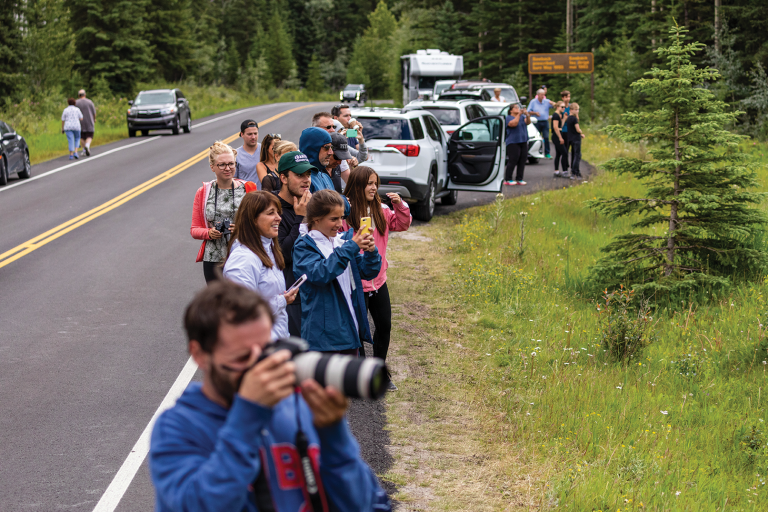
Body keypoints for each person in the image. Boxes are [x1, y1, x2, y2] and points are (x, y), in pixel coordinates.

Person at [149, 279, 391, 511]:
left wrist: (334, 437)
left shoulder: (298, 407)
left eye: (267, 351)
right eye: (243, 357)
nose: (259, 367)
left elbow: (369, 505)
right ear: (200, 354)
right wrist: (248, 414)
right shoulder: (178, 427)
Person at [343, 166, 411, 389]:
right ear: (357, 185)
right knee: (358, 331)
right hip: (355, 283)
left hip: (379, 281)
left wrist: (399, 205)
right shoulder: (345, 211)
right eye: (369, 183)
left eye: (375, 183)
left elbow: (402, 224)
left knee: (384, 326)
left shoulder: (381, 210)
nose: (373, 187)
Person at [293, 190, 381, 354]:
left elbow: (367, 272)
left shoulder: (341, 242)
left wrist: (371, 252)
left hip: (348, 330)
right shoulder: (303, 246)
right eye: (333, 219)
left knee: (349, 380)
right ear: (316, 219)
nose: (340, 224)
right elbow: (320, 274)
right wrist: (351, 247)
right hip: (323, 338)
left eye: (341, 217)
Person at [223, 191, 299, 340]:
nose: (278, 218)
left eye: (278, 212)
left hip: (276, 343)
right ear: (252, 219)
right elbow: (242, 312)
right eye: (271, 213)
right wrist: (282, 301)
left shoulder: (268, 249)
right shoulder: (242, 259)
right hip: (258, 348)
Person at [191, 141, 258, 283]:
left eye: (231, 164)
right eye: (222, 165)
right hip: (213, 258)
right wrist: (209, 233)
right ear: (212, 167)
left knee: (241, 300)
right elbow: (194, 229)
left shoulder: (249, 189)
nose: (227, 168)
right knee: (217, 302)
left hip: (243, 254)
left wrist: (241, 229)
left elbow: (259, 223)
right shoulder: (203, 192)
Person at [275, 150, 313, 337]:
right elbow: (283, 254)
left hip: (314, 295)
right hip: (290, 297)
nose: (306, 180)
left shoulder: (312, 205)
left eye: (308, 174)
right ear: (283, 177)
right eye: (299, 175)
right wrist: (300, 218)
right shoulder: (273, 208)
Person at [299, 127, 350, 216]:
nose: (330, 152)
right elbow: (321, 213)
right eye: (326, 148)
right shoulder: (303, 179)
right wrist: (342, 201)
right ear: (312, 148)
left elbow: (341, 212)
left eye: (331, 147)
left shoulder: (325, 176)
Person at [312, 111, 368, 177]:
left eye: (334, 127)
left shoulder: (341, 146)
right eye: (328, 127)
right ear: (315, 128)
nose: (333, 130)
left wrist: (361, 140)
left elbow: (362, 157)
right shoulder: (308, 152)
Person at [503, 103, 531, 186]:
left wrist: (527, 115)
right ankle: (508, 179)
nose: (518, 109)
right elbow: (513, 124)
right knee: (513, 160)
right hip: (513, 142)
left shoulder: (522, 117)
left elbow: (528, 122)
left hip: (523, 140)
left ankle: (519, 178)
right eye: (516, 108)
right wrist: (519, 114)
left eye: (518, 107)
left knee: (522, 160)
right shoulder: (508, 118)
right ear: (511, 110)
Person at [527, 88, 554, 159]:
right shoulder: (533, 102)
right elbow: (528, 111)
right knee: (537, 138)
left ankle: (547, 153)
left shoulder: (546, 101)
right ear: (538, 95)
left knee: (546, 137)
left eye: (544, 95)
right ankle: (537, 152)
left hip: (545, 122)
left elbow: (555, 105)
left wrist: (553, 103)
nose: (543, 96)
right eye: (542, 95)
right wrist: (535, 113)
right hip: (536, 122)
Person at [234, 119, 262, 185]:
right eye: (249, 134)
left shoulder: (265, 150)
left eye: (255, 133)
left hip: (264, 194)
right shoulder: (235, 155)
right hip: (245, 194)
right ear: (242, 134)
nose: (253, 137)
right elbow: (233, 180)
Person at [563, 102, 585, 180]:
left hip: (570, 138)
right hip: (576, 139)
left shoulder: (568, 118)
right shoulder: (574, 119)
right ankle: (575, 172)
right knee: (577, 155)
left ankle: (574, 171)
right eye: (576, 109)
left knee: (574, 155)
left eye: (578, 109)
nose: (577, 111)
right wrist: (581, 132)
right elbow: (577, 129)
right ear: (571, 110)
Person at [551, 101, 569, 178]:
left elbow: (560, 126)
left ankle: (556, 171)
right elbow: (555, 127)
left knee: (558, 154)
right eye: (562, 107)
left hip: (559, 134)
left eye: (564, 107)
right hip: (556, 136)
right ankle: (565, 171)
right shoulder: (555, 115)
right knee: (564, 153)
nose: (563, 108)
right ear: (557, 107)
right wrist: (560, 138)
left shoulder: (560, 114)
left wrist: (564, 119)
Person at [76, 89, 96, 156]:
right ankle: (87, 145)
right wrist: (94, 119)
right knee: (89, 135)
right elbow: (94, 112)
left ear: (79, 95)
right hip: (89, 120)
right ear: (85, 94)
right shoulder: (90, 102)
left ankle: (84, 150)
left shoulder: (76, 102)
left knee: (82, 136)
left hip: (80, 122)